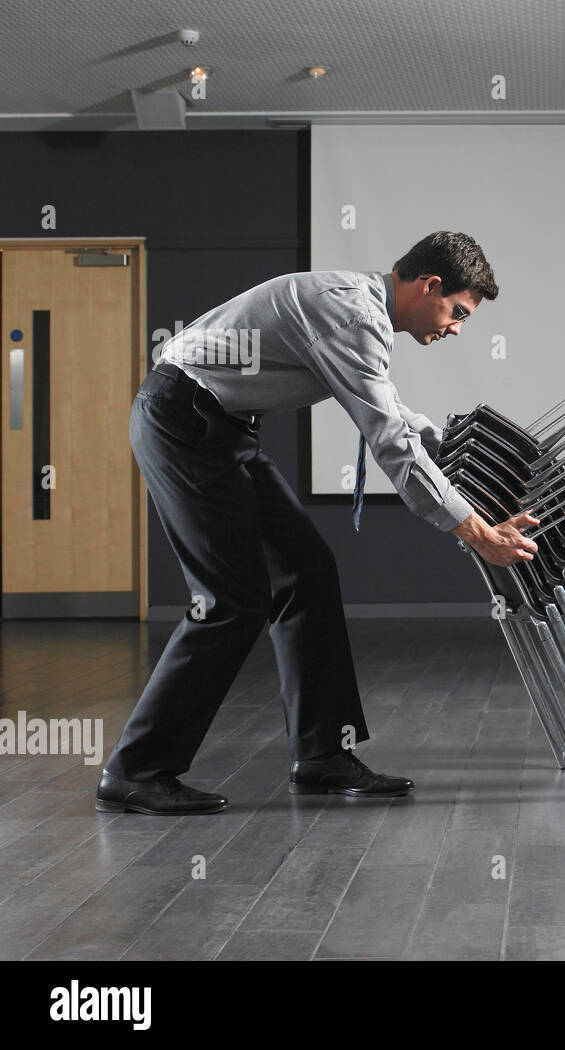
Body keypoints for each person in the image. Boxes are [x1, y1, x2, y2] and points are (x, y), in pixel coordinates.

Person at [96, 232, 538, 816]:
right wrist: (479, 534)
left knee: (306, 572)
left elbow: (394, 415)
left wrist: (461, 446)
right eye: (457, 312)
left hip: (221, 426)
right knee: (230, 598)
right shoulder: (351, 313)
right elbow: (394, 447)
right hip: (184, 422)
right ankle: (135, 770)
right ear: (428, 285)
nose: (456, 327)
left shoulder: (358, 310)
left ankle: (323, 756)